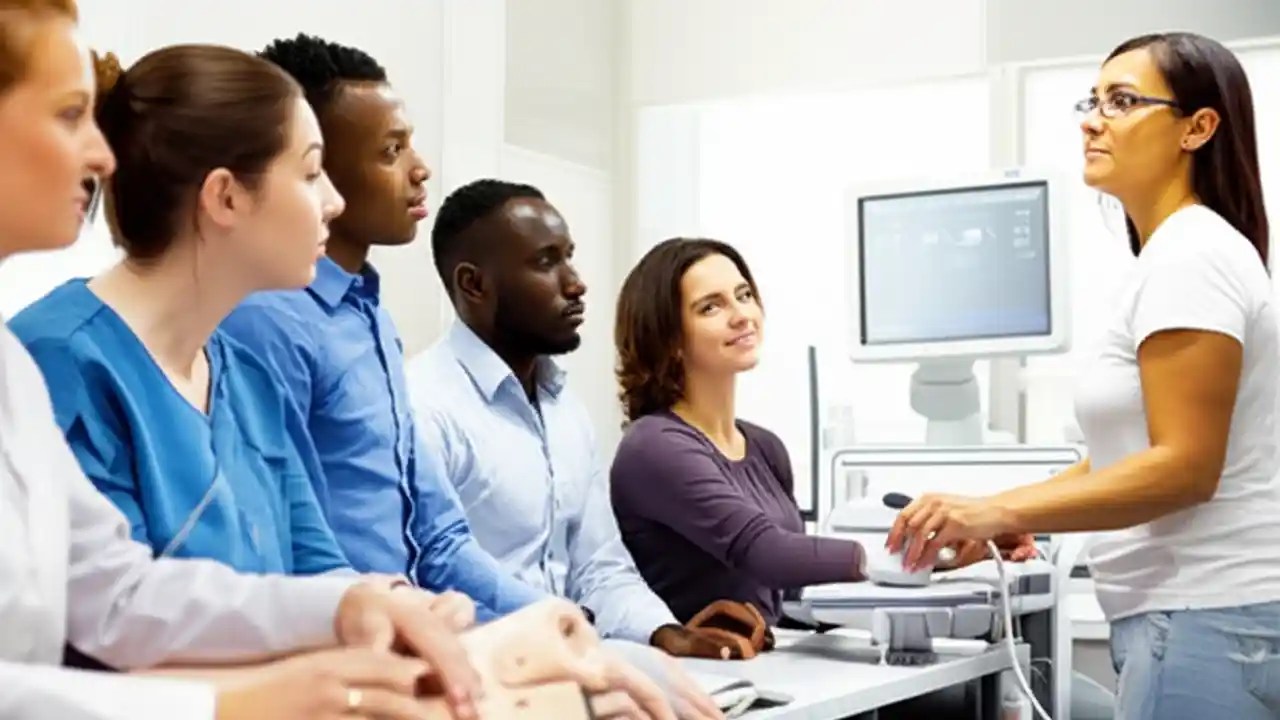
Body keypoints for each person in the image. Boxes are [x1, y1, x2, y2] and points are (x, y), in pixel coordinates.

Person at [0, 3, 493, 718]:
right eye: (70, 114)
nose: (102, 155)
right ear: (225, 195)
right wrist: (246, 701)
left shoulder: (19, 365)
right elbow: (93, 650)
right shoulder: (60, 357)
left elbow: (115, 591)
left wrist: (359, 608)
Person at [886, 32, 1280, 719]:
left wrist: (999, 510)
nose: (1092, 120)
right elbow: (1126, 457)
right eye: (1092, 100)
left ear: (1198, 127)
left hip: (1201, 617)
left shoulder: (1191, 256)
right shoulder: (1182, 255)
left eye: (1122, 102)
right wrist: (1000, 514)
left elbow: (1186, 468)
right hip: (1200, 619)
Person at [220, 33, 544, 619]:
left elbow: (440, 538)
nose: (420, 171)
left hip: (410, 622)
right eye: (391, 151)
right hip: (347, 641)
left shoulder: (368, 314)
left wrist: (554, 623)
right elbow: (295, 555)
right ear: (316, 164)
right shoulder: (266, 320)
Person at [9, 43, 353, 578]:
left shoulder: (251, 380)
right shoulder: (56, 363)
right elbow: (116, 625)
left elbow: (323, 573)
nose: (335, 202)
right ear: (226, 198)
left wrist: (397, 615)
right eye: (310, 173)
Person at [407, 179, 738, 663]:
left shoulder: (565, 409)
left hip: (568, 662)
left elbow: (600, 567)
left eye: (569, 256)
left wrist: (667, 633)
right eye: (546, 262)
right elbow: (429, 575)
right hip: (478, 677)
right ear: (473, 284)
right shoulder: (424, 406)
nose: (576, 282)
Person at [609, 238, 868, 625]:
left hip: (766, 664)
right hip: (699, 675)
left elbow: (788, 595)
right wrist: (908, 557)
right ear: (670, 338)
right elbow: (770, 555)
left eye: (744, 295)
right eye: (711, 307)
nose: (742, 315)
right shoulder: (654, 447)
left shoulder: (764, 447)